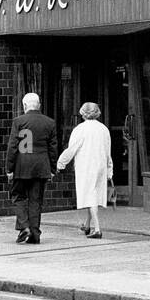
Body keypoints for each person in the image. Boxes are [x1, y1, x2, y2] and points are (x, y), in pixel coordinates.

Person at [56, 101, 115, 239]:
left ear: (82, 113)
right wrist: (109, 169)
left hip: (86, 166)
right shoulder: (104, 129)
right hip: (100, 165)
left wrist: (61, 163)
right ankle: (88, 225)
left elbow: (72, 149)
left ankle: (97, 229)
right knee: (93, 194)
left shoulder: (80, 129)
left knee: (90, 195)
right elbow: (108, 152)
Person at [5, 92, 58, 245]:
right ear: (39, 105)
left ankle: (24, 226)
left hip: (21, 166)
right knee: (36, 201)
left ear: (24, 105)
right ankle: (35, 234)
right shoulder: (49, 123)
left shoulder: (19, 121)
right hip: (41, 167)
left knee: (18, 196)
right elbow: (53, 148)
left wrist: (9, 168)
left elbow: (13, 146)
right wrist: (52, 169)